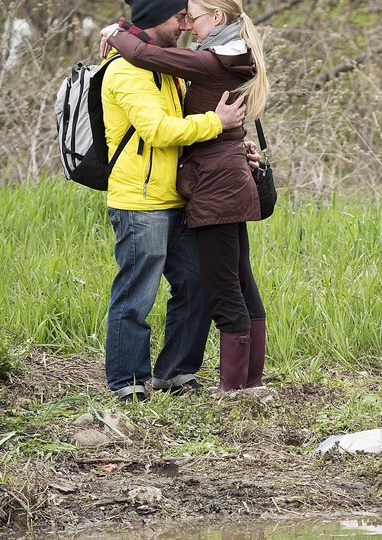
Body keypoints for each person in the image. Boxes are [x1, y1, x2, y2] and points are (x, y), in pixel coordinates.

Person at [104, 0, 270, 391]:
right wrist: (220, 125)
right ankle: (128, 381)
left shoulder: (176, 69)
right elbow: (160, 130)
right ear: (156, 16)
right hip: (141, 200)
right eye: (180, 17)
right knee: (136, 294)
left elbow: (197, 118)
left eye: (189, 17)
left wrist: (231, 143)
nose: (184, 24)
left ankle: (175, 372)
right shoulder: (129, 69)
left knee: (197, 286)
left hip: (183, 195)